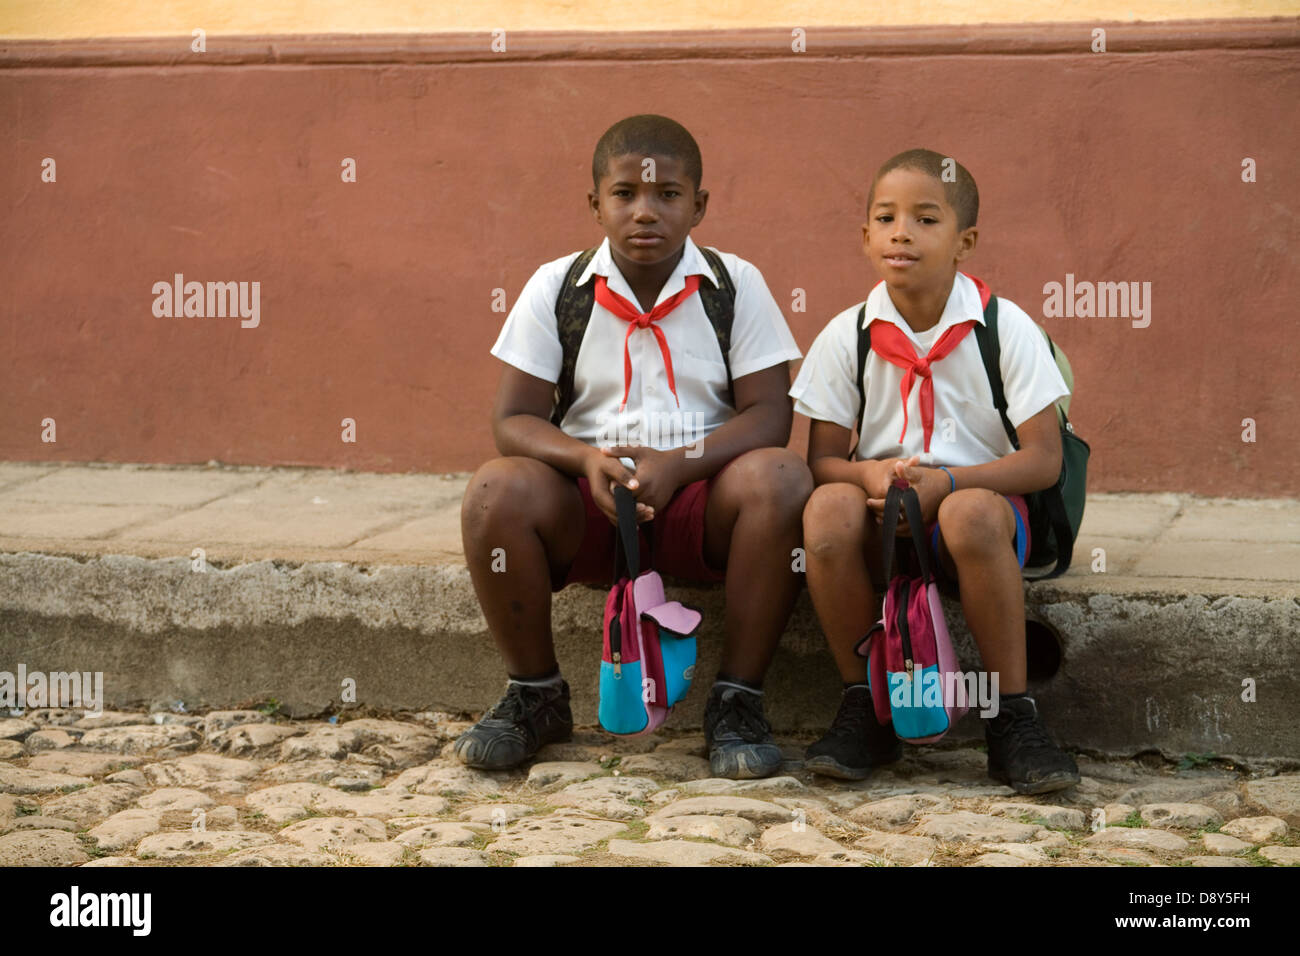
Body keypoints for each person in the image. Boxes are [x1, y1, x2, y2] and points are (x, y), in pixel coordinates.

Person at [457, 114, 810, 779]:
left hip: (702, 499)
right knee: (493, 490)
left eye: (668, 195)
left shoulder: (736, 286)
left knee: (784, 478)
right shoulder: (556, 288)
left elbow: (770, 417)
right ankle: (535, 695)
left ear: (699, 205)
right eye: (625, 194)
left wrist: (681, 465)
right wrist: (586, 459)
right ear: (594, 203)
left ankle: (737, 701)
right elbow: (514, 420)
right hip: (588, 501)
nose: (645, 212)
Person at [790, 149, 1081, 794]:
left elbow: (1043, 459)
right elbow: (822, 460)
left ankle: (1011, 717)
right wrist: (870, 480)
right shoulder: (849, 335)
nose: (901, 232)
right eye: (885, 217)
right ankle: (865, 705)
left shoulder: (1005, 328)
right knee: (825, 510)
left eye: (926, 219)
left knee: (968, 512)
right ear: (865, 235)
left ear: (964, 242)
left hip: (981, 517)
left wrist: (948, 484)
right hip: (882, 520)